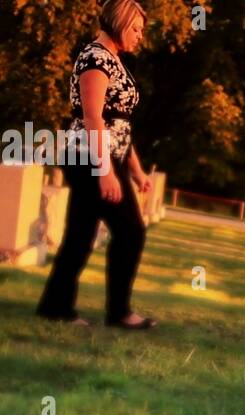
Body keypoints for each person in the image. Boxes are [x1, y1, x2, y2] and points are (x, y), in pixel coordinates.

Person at [37, 0, 157, 329]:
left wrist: (135, 170)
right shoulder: (94, 57)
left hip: (105, 156)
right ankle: (118, 313)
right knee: (130, 232)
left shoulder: (114, 59)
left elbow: (120, 123)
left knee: (81, 234)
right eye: (136, 28)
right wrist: (105, 171)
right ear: (119, 22)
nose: (139, 36)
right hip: (88, 156)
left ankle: (55, 306)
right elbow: (93, 119)